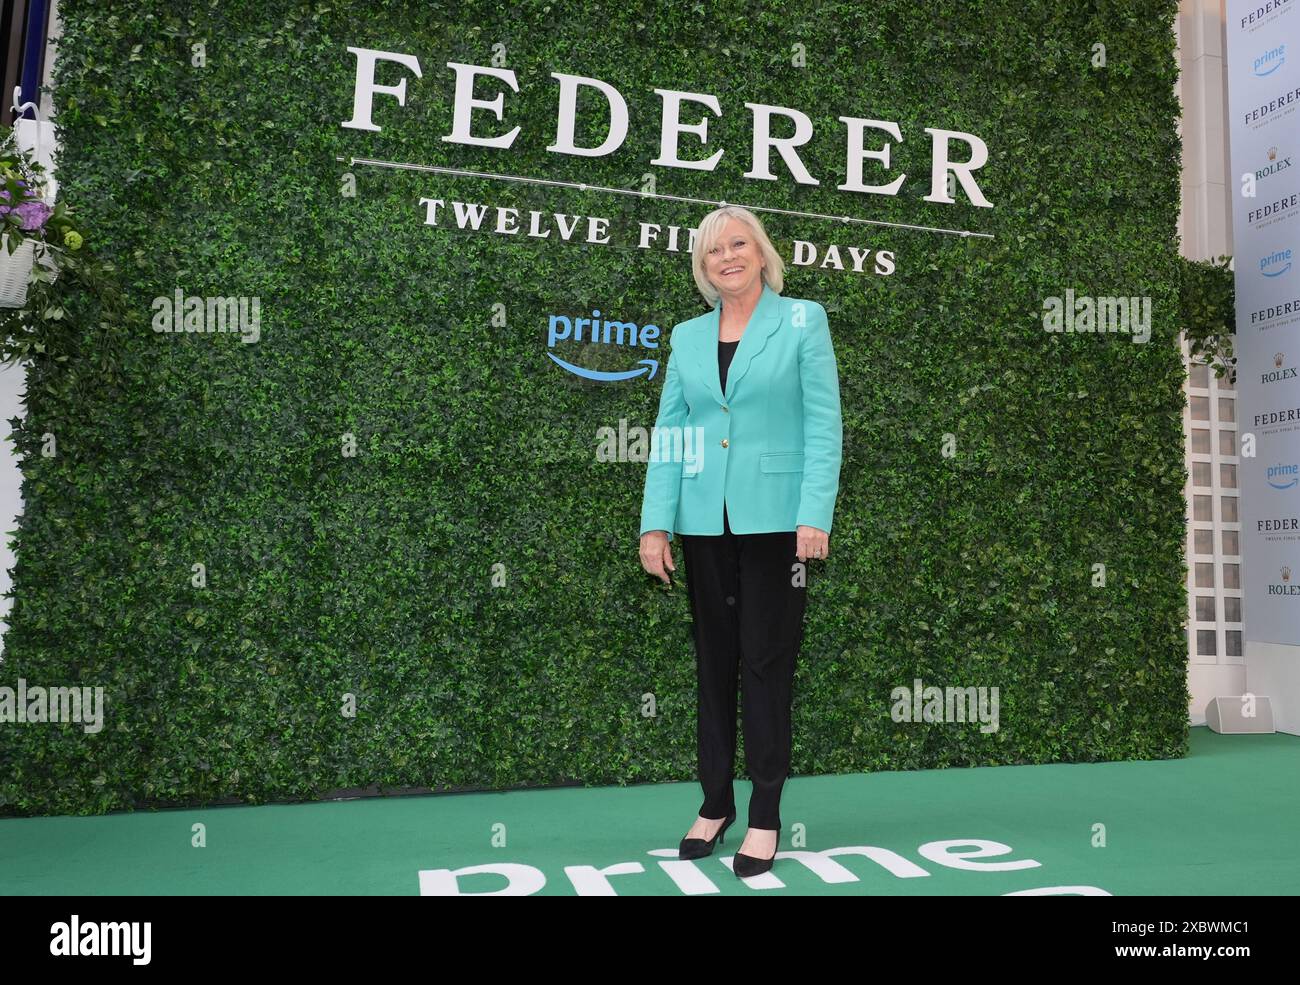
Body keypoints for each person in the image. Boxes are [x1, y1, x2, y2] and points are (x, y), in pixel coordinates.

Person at [638, 205, 843, 878]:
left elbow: (823, 422)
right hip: (703, 525)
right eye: (711, 251)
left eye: (738, 244)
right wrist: (654, 522)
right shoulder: (686, 337)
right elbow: (671, 433)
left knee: (765, 666)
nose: (726, 256)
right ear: (702, 267)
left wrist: (814, 513)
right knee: (713, 667)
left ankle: (765, 812)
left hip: (778, 525)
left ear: (761, 253)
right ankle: (715, 801)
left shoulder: (803, 320)